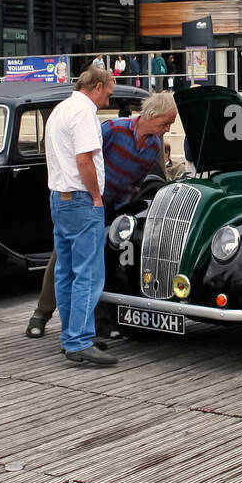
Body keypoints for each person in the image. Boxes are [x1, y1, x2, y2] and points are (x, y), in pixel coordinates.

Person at [27, 91, 179, 339]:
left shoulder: (154, 146)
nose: (168, 128)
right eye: (166, 122)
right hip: (87, 203)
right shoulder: (112, 129)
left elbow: (143, 182)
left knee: (103, 263)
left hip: (115, 209)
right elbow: (85, 158)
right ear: (152, 115)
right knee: (63, 261)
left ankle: (101, 321)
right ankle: (41, 315)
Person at [44, 66, 118, 367]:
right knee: (88, 272)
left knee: (66, 271)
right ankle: (78, 340)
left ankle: (73, 334)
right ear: (97, 86)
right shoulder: (84, 113)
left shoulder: (60, 109)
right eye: (108, 94)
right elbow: (84, 158)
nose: (107, 102)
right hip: (80, 198)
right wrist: (97, 197)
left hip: (58, 198)